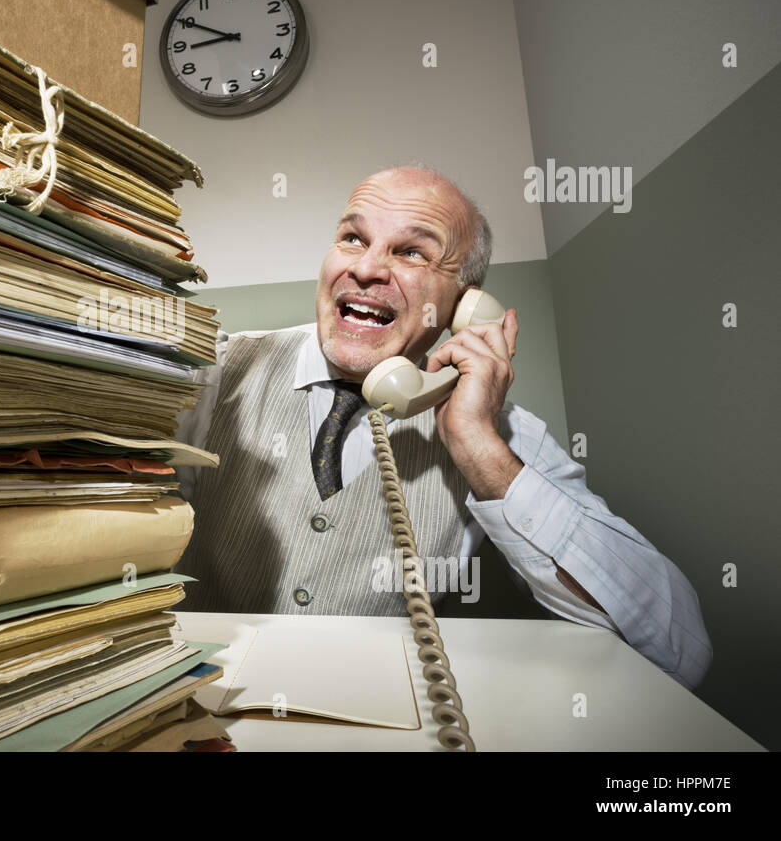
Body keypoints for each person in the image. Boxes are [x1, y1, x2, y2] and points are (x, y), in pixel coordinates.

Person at [173, 165, 711, 689]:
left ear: (466, 304)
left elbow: (678, 649)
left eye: (412, 252)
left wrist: (478, 446)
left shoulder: (497, 432)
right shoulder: (218, 372)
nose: (366, 269)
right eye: (353, 238)